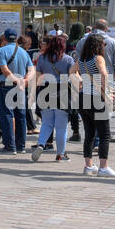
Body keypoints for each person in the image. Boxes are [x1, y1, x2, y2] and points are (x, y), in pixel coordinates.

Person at [76, 34, 115, 177]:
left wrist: (80, 83)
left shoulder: (81, 60)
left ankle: (88, 166)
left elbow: (71, 71)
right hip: (96, 99)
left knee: (89, 134)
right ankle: (103, 167)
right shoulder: (98, 58)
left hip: (83, 99)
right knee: (105, 134)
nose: (105, 47)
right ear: (98, 45)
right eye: (103, 44)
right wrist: (107, 94)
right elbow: (104, 74)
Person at [31, 34, 74, 162]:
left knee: (46, 123)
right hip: (62, 91)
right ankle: (60, 154)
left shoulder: (42, 58)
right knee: (61, 127)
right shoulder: (67, 59)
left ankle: (40, 144)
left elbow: (37, 78)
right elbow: (73, 78)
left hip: (46, 91)